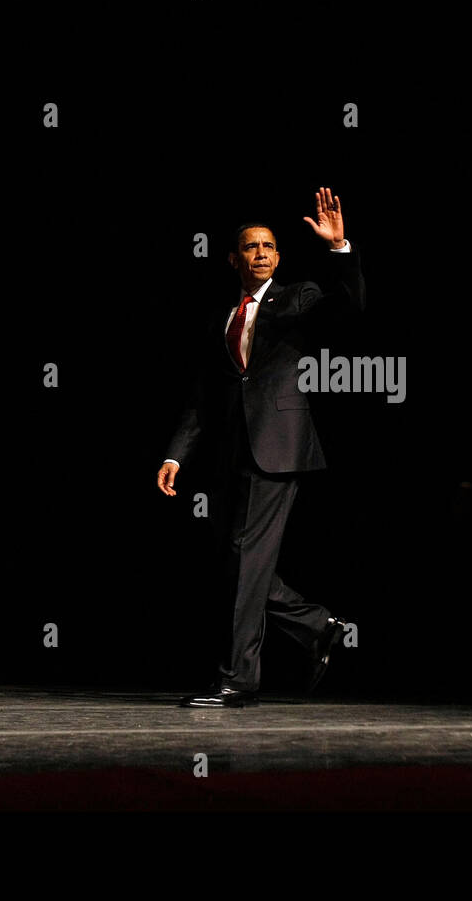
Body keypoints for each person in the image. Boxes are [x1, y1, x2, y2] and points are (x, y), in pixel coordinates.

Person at [157, 187, 363, 707]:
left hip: (278, 447)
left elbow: (349, 308)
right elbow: (202, 398)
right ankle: (320, 626)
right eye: (251, 247)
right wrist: (175, 454)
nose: (262, 253)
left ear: (279, 255)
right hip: (232, 455)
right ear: (233, 258)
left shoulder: (295, 299)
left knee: (244, 561)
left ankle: (237, 678)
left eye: (269, 245)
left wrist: (340, 250)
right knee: (240, 563)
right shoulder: (221, 318)